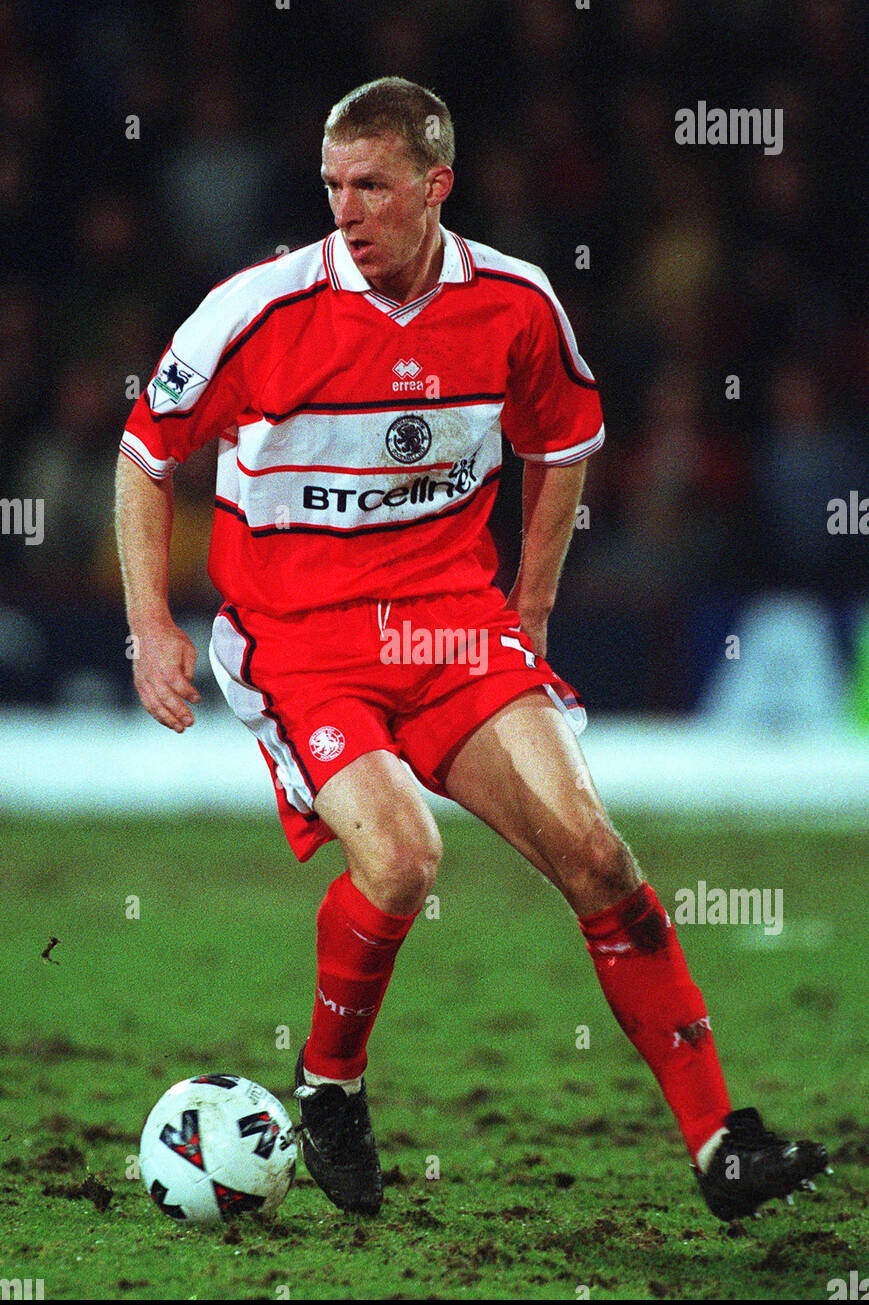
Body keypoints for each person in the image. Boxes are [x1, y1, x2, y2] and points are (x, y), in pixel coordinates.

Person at [115, 77, 828, 1221]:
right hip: (303, 642)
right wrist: (153, 627)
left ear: (435, 186)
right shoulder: (255, 311)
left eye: (372, 186)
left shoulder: (513, 303)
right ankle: (331, 1083)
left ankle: (719, 1144)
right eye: (331, 185)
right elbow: (144, 457)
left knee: (596, 858)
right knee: (401, 859)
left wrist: (530, 612)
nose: (345, 209)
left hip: (453, 630)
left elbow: (567, 442)